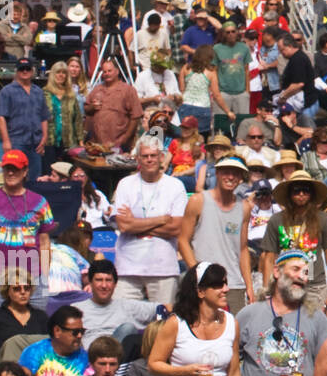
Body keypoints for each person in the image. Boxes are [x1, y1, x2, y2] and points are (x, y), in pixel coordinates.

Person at [236, 250, 327, 376]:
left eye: (306, 272)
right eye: (296, 269)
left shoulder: (318, 318)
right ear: (277, 272)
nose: (301, 276)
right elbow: (230, 369)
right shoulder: (249, 314)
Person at [149, 262, 248, 376]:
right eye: (218, 285)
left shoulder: (231, 323)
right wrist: (185, 371)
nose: (225, 289)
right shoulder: (176, 323)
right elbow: (154, 364)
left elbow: (233, 375)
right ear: (200, 291)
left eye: (225, 283)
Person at [0, 148, 53, 310]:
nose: (10, 173)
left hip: (33, 280)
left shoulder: (40, 202)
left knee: (35, 331)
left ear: (24, 172)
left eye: (15, 169)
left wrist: (43, 276)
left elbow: (44, 243)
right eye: (7, 169)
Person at [112, 134, 187, 304]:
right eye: (145, 156)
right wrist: (160, 220)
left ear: (161, 157)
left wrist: (135, 223)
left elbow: (175, 228)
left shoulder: (175, 186)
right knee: (125, 320)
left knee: (163, 322)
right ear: (138, 158)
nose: (149, 160)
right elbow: (123, 225)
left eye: (153, 156)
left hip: (163, 267)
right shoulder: (125, 184)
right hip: (127, 266)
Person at [178, 156, 251, 311]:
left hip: (234, 283)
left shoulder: (244, 207)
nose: (230, 177)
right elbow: (183, 241)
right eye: (226, 172)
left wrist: (249, 286)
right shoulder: (198, 201)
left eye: (236, 173)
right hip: (203, 285)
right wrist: (198, 274)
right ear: (217, 173)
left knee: (233, 331)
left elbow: (243, 249)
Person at [260, 170, 327, 310]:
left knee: (315, 327)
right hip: (285, 284)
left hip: (314, 285)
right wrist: (267, 289)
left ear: (312, 194)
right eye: (296, 190)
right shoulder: (276, 220)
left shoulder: (323, 219)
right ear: (289, 194)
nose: (301, 194)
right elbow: (269, 258)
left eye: (306, 190)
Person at [0, 267, 48, 376]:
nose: (23, 292)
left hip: (38, 375)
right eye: (17, 288)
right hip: (5, 375)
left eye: (27, 288)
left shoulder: (41, 316)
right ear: (7, 291)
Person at [78, 259, 163, 351]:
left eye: (108, 280)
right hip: (88, 356)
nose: (104, 285)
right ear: (90, 283)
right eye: (99, 280)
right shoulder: (77, 308)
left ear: (115, 284)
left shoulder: (127, 306)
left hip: (118, 356)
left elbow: (165, 308)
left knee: (128, 328)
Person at [0, 56, 49, 181]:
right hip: (16, 141)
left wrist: (44, 137)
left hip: (36, 143)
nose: (24, 71)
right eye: (21, 69)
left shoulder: (38, 91)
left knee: (35, 179)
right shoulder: (6, 91)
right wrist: (6, 141)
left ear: (32, 71)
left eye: (27, 69)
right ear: (16, 71)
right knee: (15, 177)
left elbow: (44, 117)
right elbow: (1, 118)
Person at [84, 55, 142, 152]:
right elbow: (86, 109)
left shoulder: (128, 90)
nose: (107, 74)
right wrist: (92, 107)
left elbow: (136, 116)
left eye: (109, 71)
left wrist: (125, 138)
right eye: (104, 72)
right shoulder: (97, 89)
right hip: (97, 144)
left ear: (117, 71)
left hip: (118, 144)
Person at [19, 304, 88, 376]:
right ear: (57, 331)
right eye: (75, 332)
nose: (79, 336)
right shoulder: (34, 353)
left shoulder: (85, 358)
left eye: (82, 331)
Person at [179, 44, 233, 136]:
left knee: (185, 136)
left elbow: (181, 90)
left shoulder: (185, 68)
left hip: (185, 106)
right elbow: (216, 95)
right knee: (201, 139)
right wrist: (228, 111)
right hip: (202, 108)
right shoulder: (211, 72)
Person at [42, 60, 85, 167]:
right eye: (58, 72)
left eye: (64, 73)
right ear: (53, 74)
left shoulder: (71, 95)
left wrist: (80, 141)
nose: (61, 75)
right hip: (49, 141)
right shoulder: (44, 93)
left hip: (68, 142)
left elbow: (78, 120)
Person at [213, 21, 252, 117]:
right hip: (223, 92)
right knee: (221, 122)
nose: (231, 34)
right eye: (228, 32)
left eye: (233, 31)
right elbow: (214, 70)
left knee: (242, 122)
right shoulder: (217, 48)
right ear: (223, 34)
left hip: (241, 92)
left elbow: (247, 70)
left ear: (237, 32)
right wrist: (216, 91)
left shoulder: (244, 48)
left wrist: (247, 91)